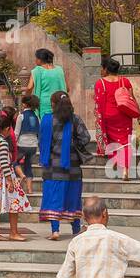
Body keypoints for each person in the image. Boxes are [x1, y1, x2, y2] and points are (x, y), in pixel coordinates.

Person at [38, 92, 90, 239]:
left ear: (53, 104)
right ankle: (75, 229)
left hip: (52, 167)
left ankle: (55, 231)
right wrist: (72, 144)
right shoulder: (75, 119)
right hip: (72, 168)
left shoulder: (47, 120)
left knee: (54, 197)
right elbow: (86, 138)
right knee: (73, 198)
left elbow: (41, 141)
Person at [0, 109, 31, 241]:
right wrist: (10, 180)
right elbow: (4, 163)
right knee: (14, 204)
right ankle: (13, 232)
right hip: (3, 177)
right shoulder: (3, 143)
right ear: (5, 129)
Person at [94, 57, 140, 179]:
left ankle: (115, 160)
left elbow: (99, 103)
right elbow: (132, 98)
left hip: (108, 116)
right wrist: (139, 114)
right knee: (125, 142)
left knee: (111, 140)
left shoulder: (100, 83)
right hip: (124, 115)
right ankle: (125, 169)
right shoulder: (125, 81)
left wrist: (100, 119)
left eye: (101, 68)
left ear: (105, 69)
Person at [25, 48, 66, 114]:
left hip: (44, 103)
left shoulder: (37, 70)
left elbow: (29, 88)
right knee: (58, 121)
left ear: (40, 59)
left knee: (45, 122)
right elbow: (67, 87)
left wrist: (26, 99)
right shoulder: (59, 70)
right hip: (59, 101)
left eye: (36, 58)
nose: (35, 60)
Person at [16, 93, 41, 186]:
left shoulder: (21, 116)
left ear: (25, 104)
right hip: (33, 145)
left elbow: (16, 132)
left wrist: (13, 143)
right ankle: (29, 189)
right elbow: (39, 132)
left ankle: (21, 175)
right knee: (28, 165)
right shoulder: (37, 117)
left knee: (14, 161)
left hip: (22, 144)